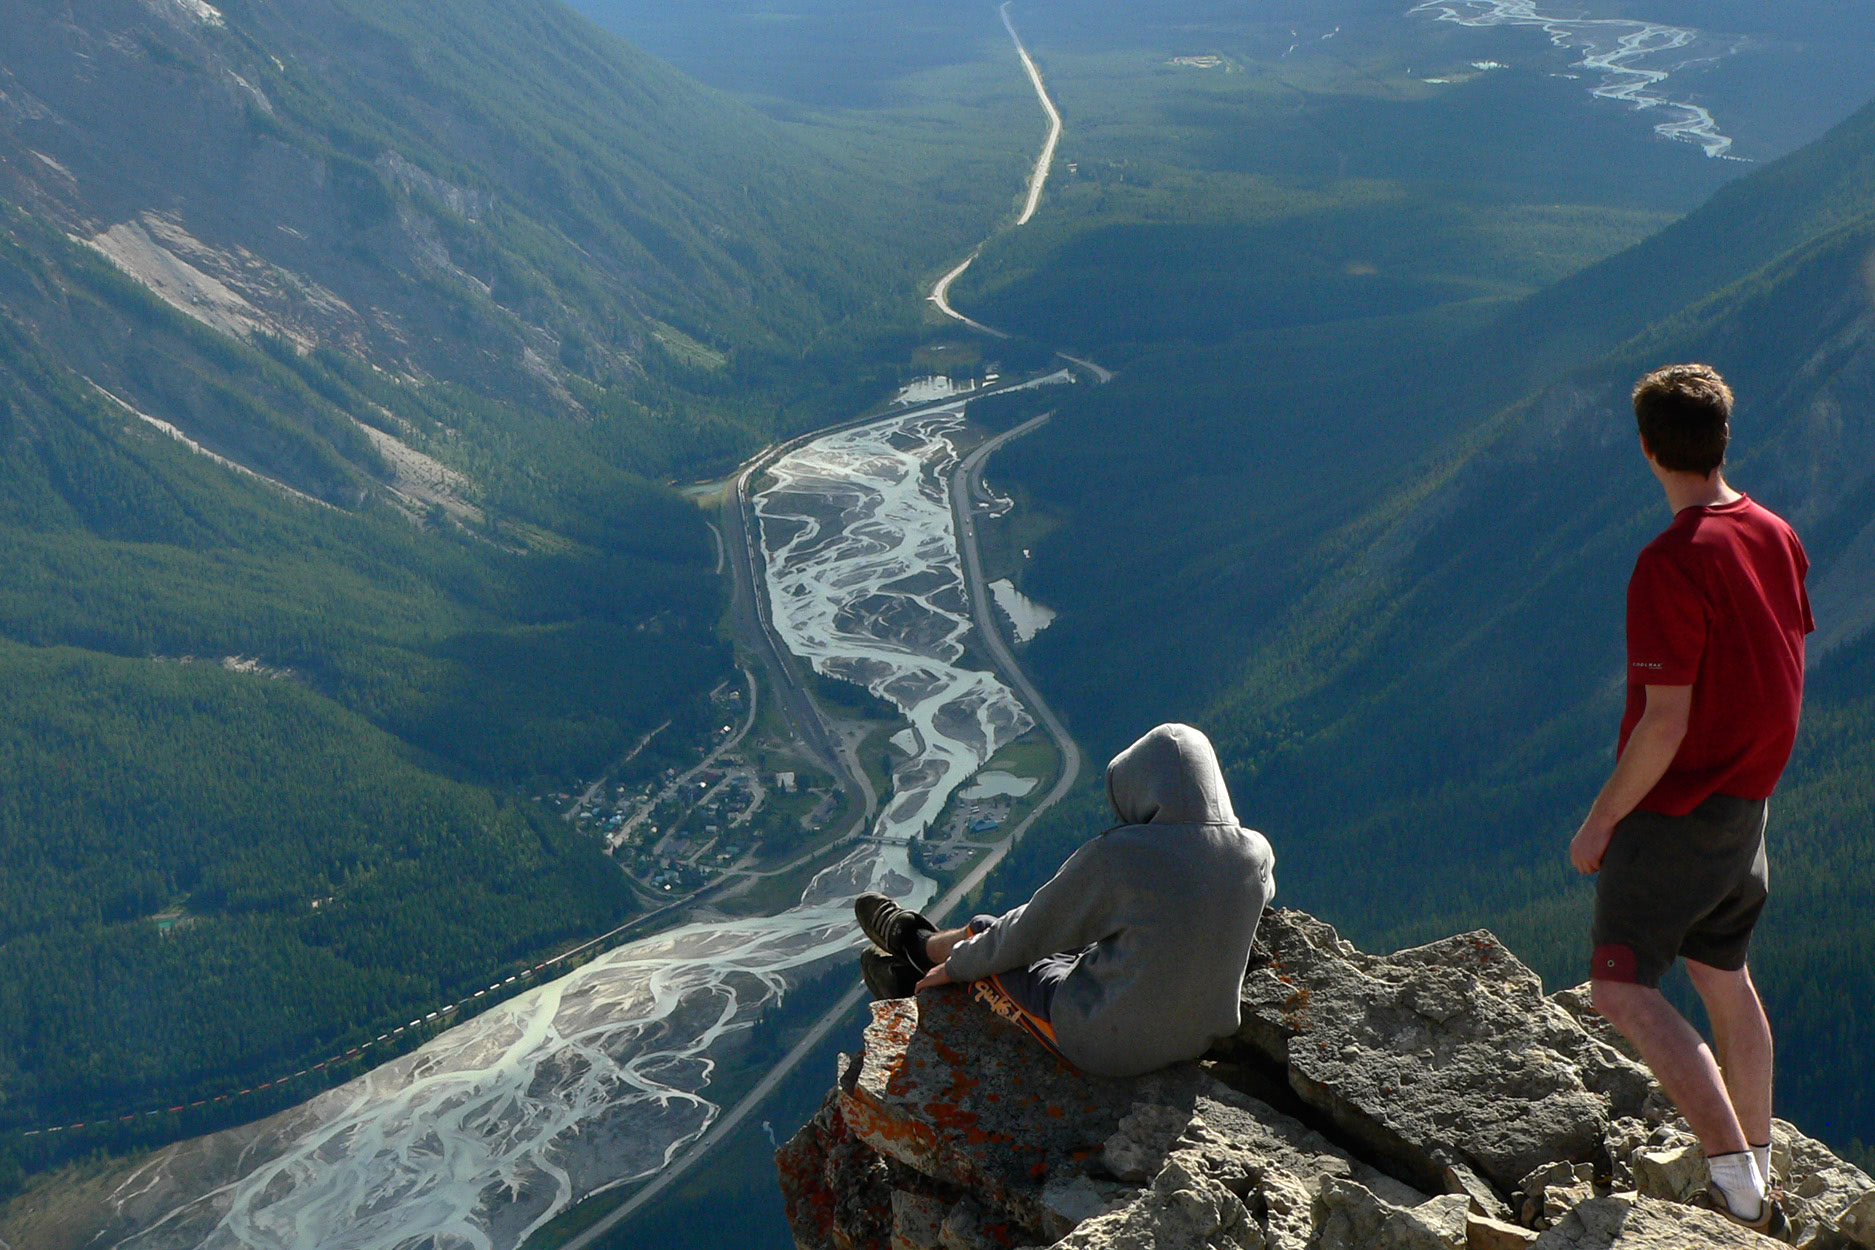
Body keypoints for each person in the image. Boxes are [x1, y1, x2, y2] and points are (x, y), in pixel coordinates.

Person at [1569, 363, 1812, 1240]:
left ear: (1646, 450)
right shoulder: (1773, 532)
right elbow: (1780, 662)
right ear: (1722, 439)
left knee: (1618, 988)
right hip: (1748, 802)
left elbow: (1664, 721)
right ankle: (1759, 1173)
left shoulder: (1670, 562)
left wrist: (1601, 819)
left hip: (1679, 809)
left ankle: (1733, 1185)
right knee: (1721, 974)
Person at [855, 722, 1275, 1079]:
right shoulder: (1255, 854)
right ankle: (915, 951)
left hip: (1102, 1042)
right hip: (1197, 1038)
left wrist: (963, 963)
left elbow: (1030, 931)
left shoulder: (1121, 856)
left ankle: (914, 954)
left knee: (989, 933)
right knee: (1066, 942)